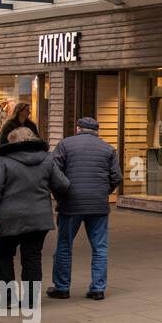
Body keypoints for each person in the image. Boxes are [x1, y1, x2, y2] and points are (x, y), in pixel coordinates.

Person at [0, 126, 69, 310]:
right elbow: (63, 184)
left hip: (9, 216)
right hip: (39, 217)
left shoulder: (4, 160)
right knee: (32, 257)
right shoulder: (47, 159)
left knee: (4, 256)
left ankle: (8, 298)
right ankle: (31, 300)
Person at [48, 116, 120, 301]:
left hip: (71, 204)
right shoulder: (108, 149)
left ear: (78, 128)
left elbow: (54, 174)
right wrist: (104, 191)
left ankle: (62, 287)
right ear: (97, 131)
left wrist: (61, 195)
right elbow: (116, 177)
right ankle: (98, 289)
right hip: (98, 204)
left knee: (64, 245)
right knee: (100, 247)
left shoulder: (65, 145)